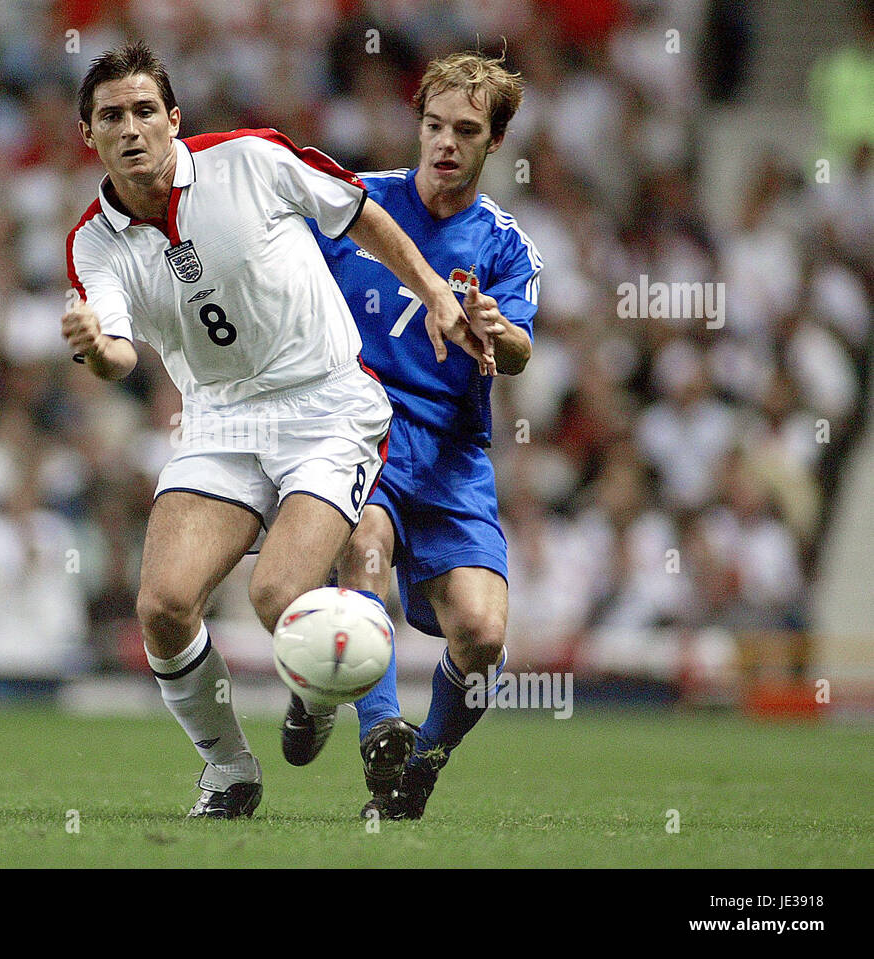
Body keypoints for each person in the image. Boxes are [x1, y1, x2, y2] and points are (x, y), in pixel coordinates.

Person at [62, 41, 494, 819]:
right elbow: (120, 351)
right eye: (111, 116)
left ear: (174, 119)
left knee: (280, 592)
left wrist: (433, 290)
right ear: (87, 133)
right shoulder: (93, 241)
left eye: (145, 111)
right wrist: (98, 352)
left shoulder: (249, 159)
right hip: (220, 418)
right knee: (162, 604)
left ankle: (319, 693)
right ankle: (230, 769)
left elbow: (358, 211)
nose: (132, 129)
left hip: (326, 403)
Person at [313, 51, 540, 819]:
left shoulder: (507, 246)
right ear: (418, 125)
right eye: (435, 124)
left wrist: (494, 327)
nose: (446, 142)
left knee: (480, 632)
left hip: (451, 454)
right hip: (361, 425)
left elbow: (517, 352)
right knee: (362, 546)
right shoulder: (355, 206)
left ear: (494, 142)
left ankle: (425, 762)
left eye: (466, 130)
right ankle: (381, 731)